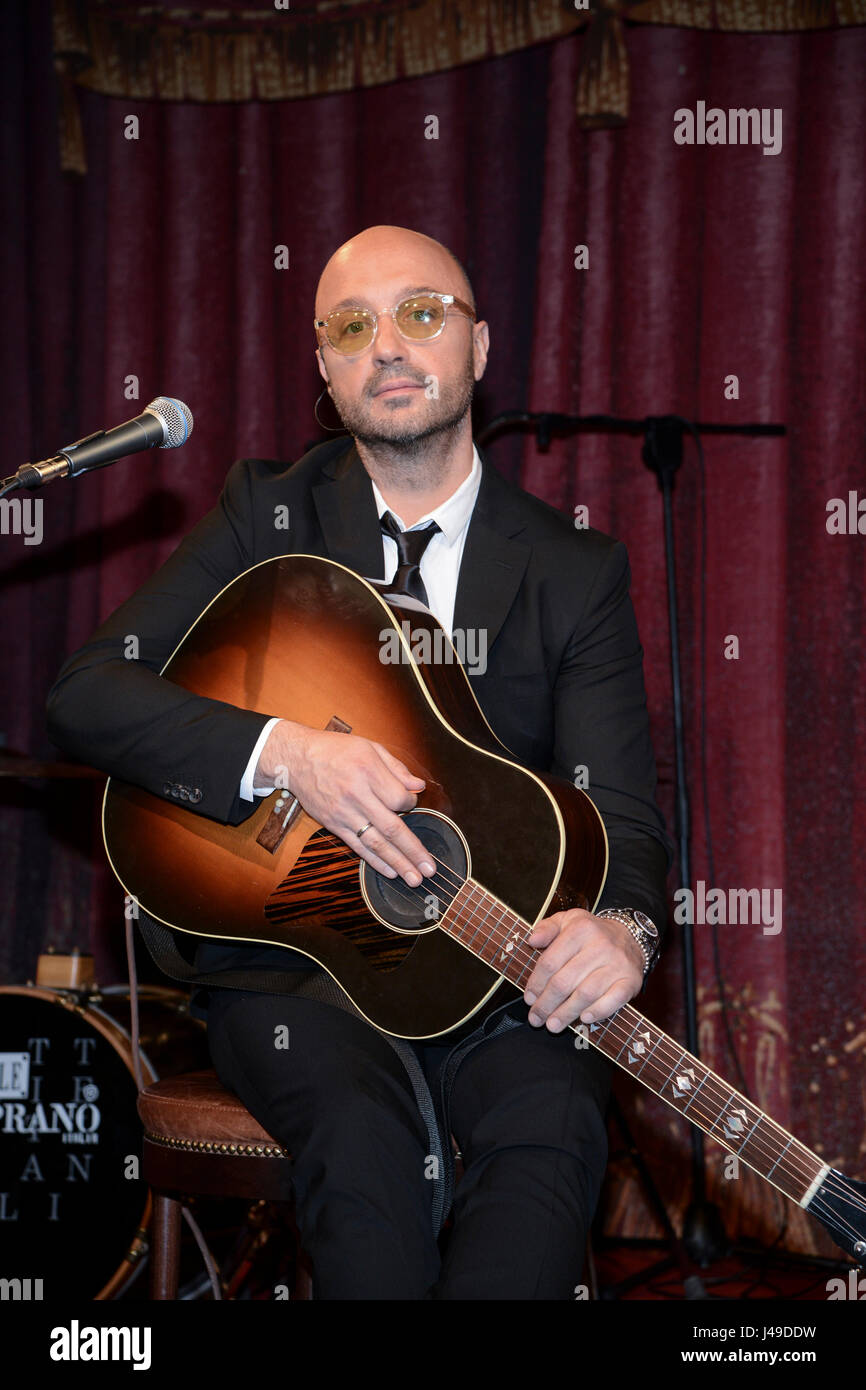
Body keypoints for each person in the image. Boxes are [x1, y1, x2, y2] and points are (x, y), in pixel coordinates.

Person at [47, 225, 672, 1300]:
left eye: (420, 313)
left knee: (555, 1123)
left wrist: (623, 928)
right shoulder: (267, 513)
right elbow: (88, 691)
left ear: (477, 350)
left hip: (492, 973)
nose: (386, 345)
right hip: (296, 965)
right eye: (351, 326)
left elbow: (619, 811)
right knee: (359, 1131)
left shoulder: (573, 570)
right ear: (326, 375)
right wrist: (283, 752)